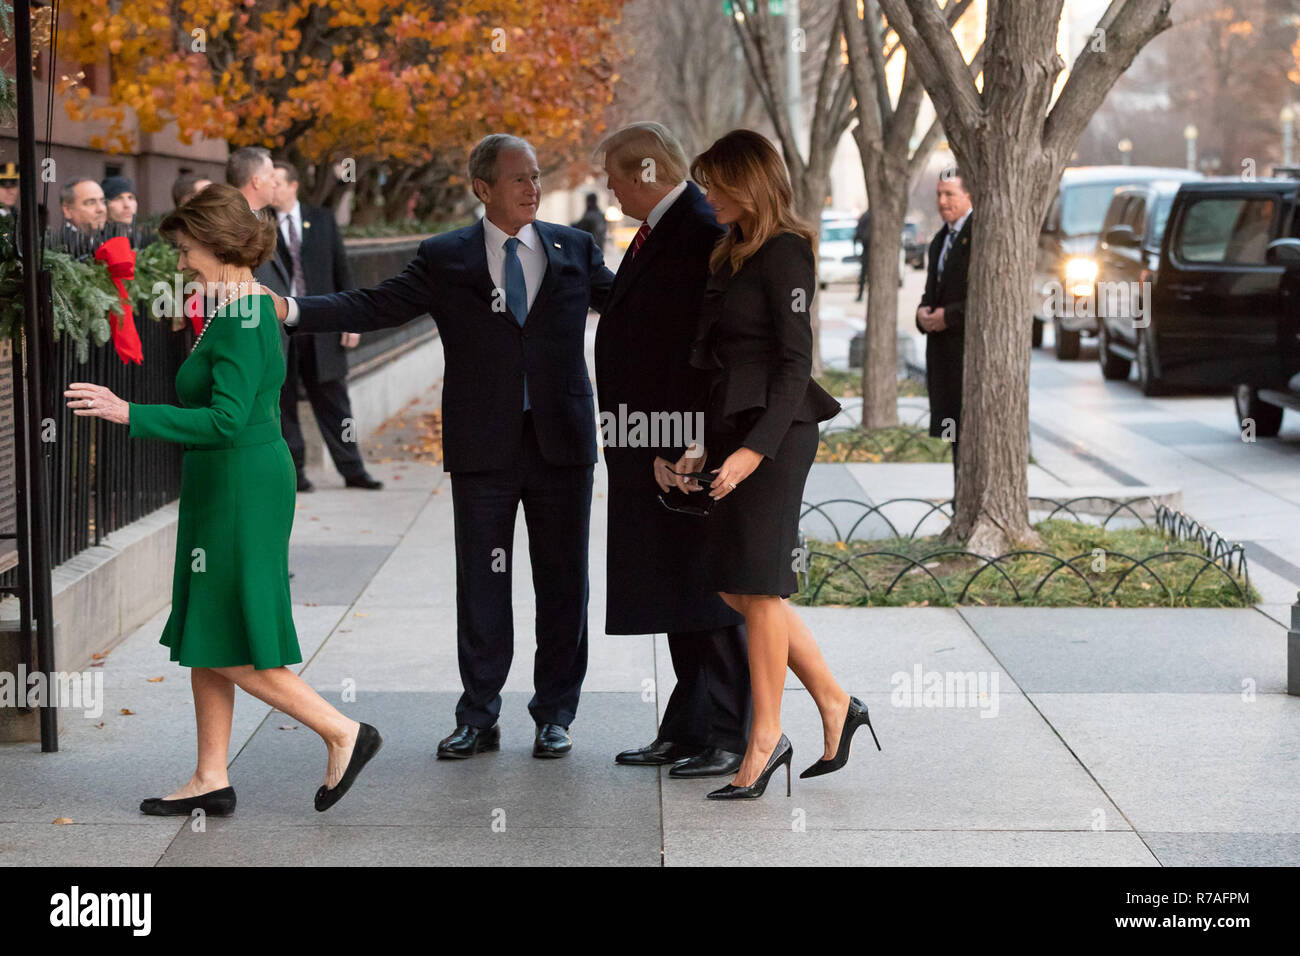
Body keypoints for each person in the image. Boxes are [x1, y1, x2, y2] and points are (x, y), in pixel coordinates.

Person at [266, 134, 614, 760]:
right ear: (483, 189)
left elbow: (634, 307)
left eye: (535, 177)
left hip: (562, 445)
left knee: (565, 583)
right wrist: (290, 308)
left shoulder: (575, 247)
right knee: (482, 584)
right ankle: (478, 716)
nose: (533, 188)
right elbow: (374, 305)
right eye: (518, 179)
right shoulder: (446, 256)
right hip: (485, 447)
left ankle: (555, 714)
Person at [63, 183, 382, 815]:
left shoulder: (241, 313)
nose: (179, 263)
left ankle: (343, 731)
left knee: (233, 640)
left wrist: (131, 412)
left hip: (240, 483)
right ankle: (211, 776)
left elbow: (228, 419)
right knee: (211, 631)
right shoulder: (237, 304)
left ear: (214, 243)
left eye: (185, 251)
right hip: (227, 482)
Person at [670, 129, 878, 800]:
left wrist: (753, 452)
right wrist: (705, 443)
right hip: (731, 431)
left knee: (758, 588)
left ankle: (765, 737)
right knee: (737, 586)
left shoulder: (787, 252)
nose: (706, 195)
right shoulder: (727, 252)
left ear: (747, 183)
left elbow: (794, 366)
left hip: (778, 436)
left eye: (715, 183)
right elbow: (718, 364)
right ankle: (836, 701)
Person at [593, 122, 750, 778]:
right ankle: (686, 727)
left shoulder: (698, 230)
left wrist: (689, 440)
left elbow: (705, 352)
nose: (609, 188)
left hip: (679, 446)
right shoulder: (665, 226)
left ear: (647, 172)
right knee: (670, 587)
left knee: (702, 592)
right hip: (645, 440)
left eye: (615, 176)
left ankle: (729, 733)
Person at [271, 160, 382, 492]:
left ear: (293, 185)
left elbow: (341, 269)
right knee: (283, 399)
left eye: (277, 181)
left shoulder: (321, 219)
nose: (271, 187)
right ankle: (296, 472)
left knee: (334, 400)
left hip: (320, 323)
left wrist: (353, 317)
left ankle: (353, 469)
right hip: (281, 325)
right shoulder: (260, 224)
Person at [916, 167, 972, 491]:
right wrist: (922, 315)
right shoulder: (940, 239)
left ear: (968, 195)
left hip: (967, 357)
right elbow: (929, 293)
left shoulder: (979, 233)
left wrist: (948, 317)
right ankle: (959, 504)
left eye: (949, 194)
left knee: (969, 434)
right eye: (938, 194)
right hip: (943, 358)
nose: (942, 201)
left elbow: (988, 299)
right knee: (954, 438)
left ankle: (963, 503)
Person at [854, 207, 871, 302]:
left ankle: (860, 295)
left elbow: (858, 231)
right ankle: (861, 294)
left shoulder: (864, 216)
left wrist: (856, 240)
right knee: (866, 274)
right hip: (868, 248)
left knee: (864, 274)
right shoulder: (867, 216)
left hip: (866, 249)